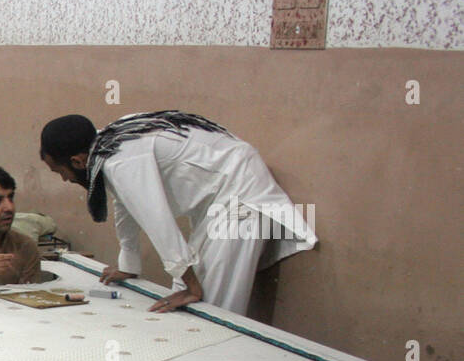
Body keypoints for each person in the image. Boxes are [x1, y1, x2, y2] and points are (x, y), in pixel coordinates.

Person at [38, 111, 318, 315]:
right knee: (188, 290)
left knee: (212, 307)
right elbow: (125, 203)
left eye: (60, 171)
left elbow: (157, 219)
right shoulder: (109, 144)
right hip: (222, 197)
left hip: (242, 199)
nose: (64, 179)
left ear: (77, 160)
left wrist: (192, 287)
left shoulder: (121, 159)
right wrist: (129, 263)